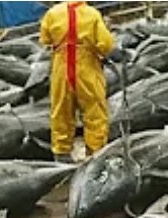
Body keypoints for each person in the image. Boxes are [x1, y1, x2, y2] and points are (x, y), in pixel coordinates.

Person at [39, 1, 117, 162]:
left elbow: (45, 39)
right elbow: (106, 45)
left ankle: (61, 154)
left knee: (61, 111)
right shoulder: (92, 14)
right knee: (94, 111)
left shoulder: (52, 14)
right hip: (87, 69)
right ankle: (96, 154)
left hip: (61, 69)